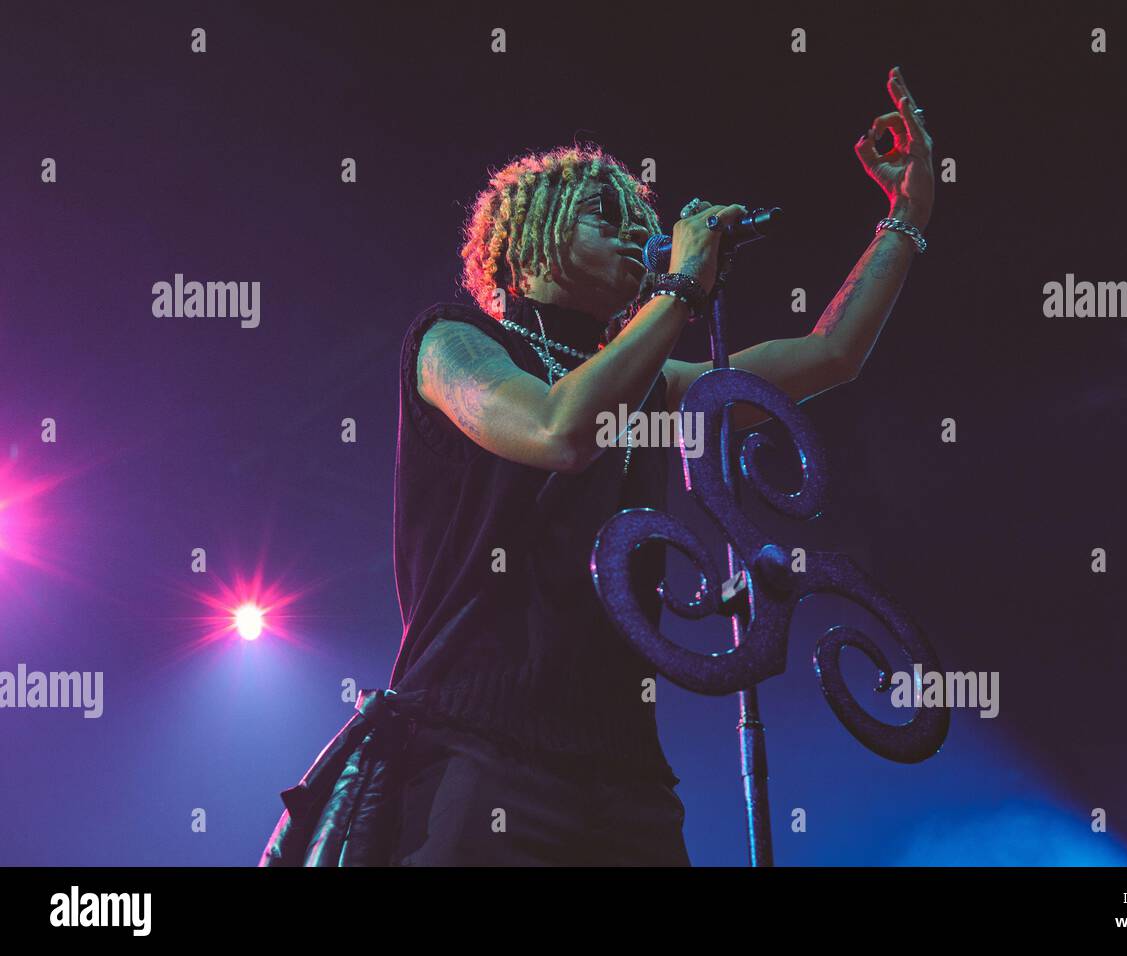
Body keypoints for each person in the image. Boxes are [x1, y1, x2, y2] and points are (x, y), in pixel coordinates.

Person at [259, 66, 933, 867]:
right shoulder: (454, 344)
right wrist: (681, 286)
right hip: (473, 751)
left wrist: (908, 213)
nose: (629, 235)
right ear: (524, 242)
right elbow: (558, 430)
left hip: (626, 775)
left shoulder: (649, 381)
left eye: (636, 220)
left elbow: (828, 356)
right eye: (599, 215)